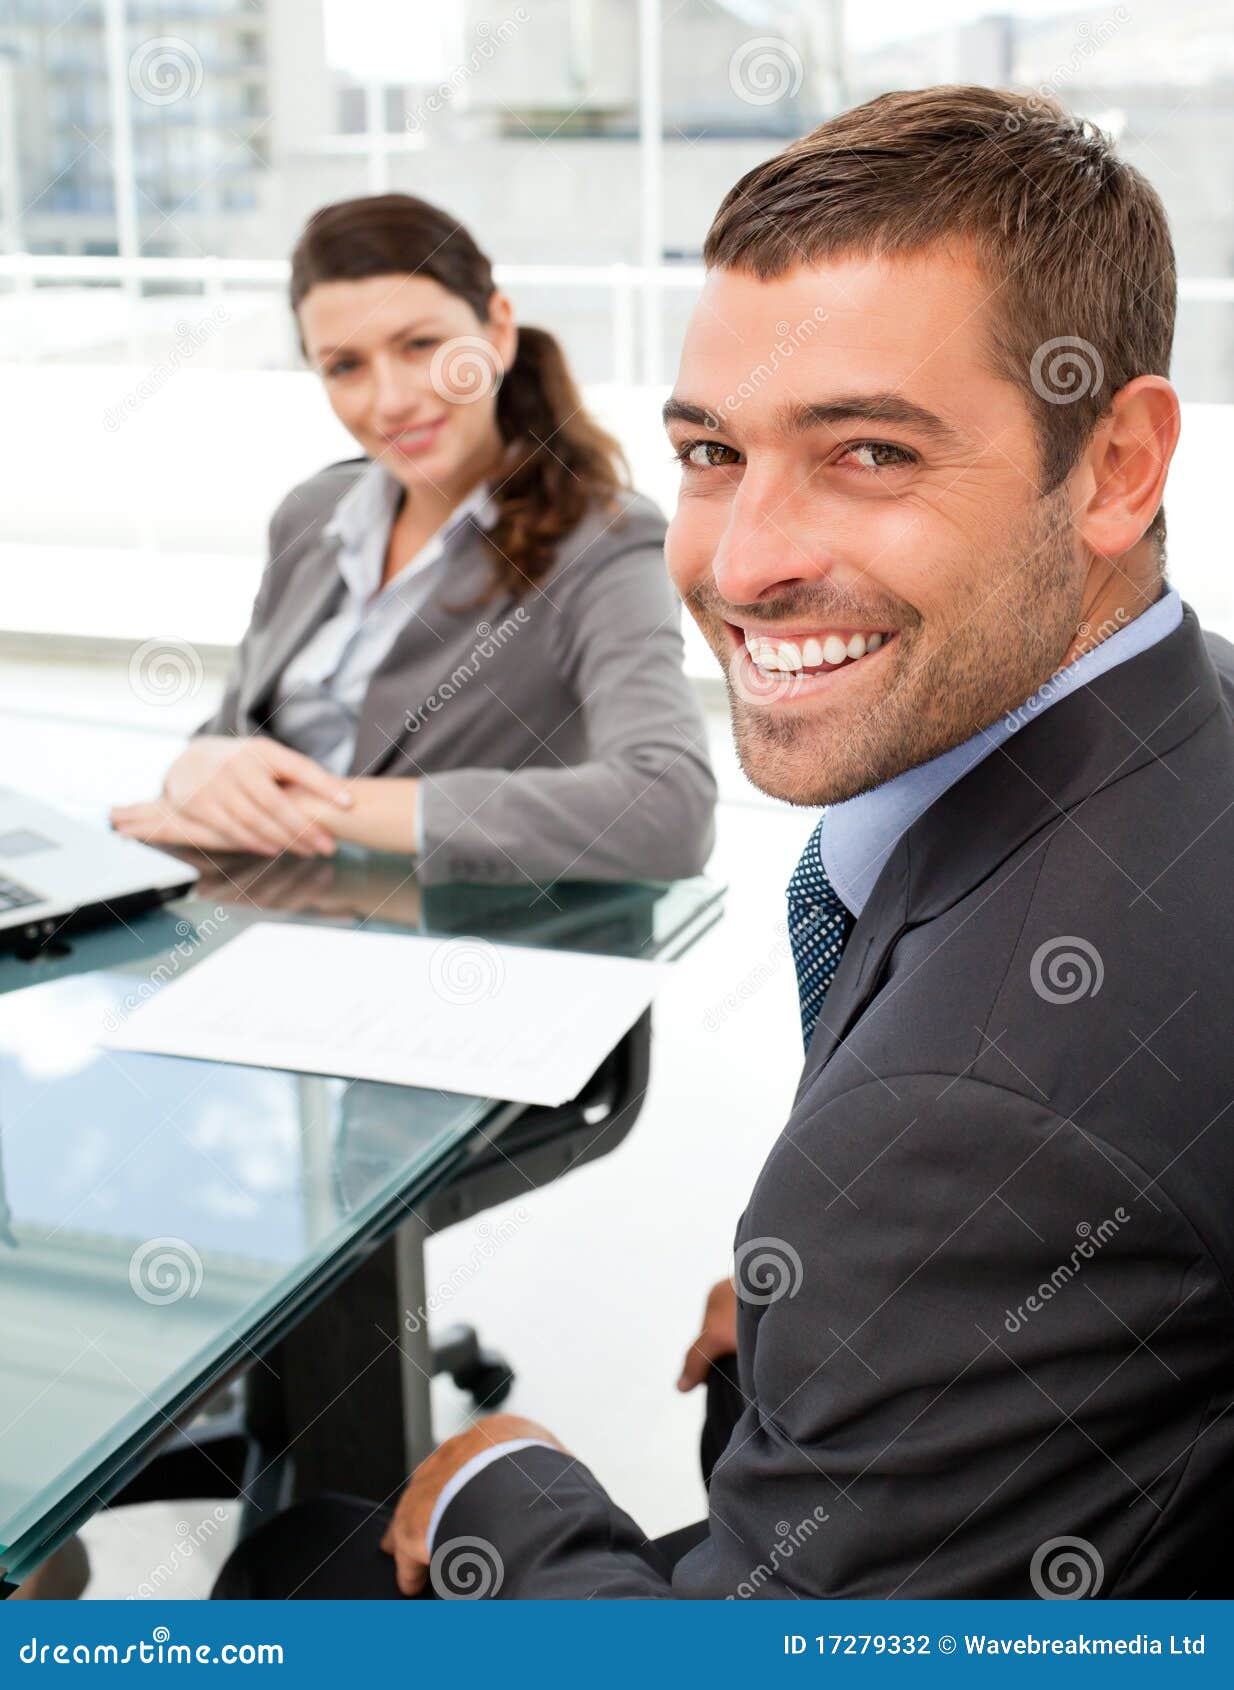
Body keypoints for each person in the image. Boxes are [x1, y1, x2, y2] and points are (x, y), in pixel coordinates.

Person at [213, 85, 1234, 1600]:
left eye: (869, 452)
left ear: (1113, 465)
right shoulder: (1187, 709)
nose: (742, 564)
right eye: (708, 453)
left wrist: (503, 1482)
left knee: (294, 1565)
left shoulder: (980, 1117)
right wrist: (876, 1316)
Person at [111, 193, 715, 885]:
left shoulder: (605, 540)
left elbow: (668, 812)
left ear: (497, 331)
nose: (389, 400)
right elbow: (235, 737)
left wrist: (324, 808)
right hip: (258, 910)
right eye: (345, 366)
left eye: (420, 345)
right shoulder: (313, 514)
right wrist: (199, 763)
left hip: (462, 950)